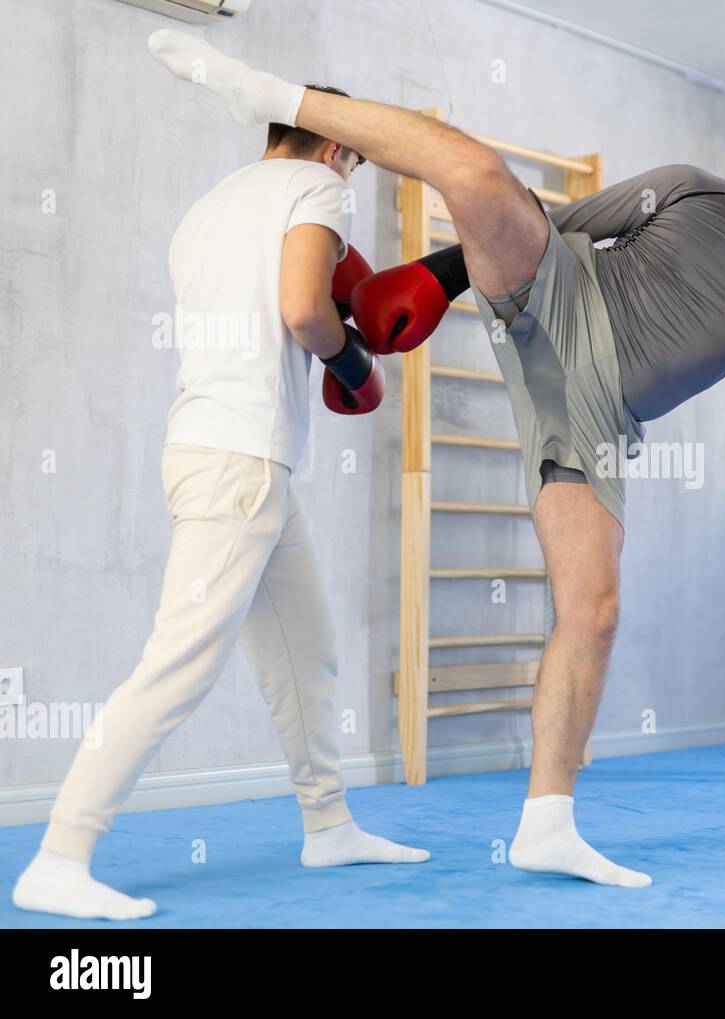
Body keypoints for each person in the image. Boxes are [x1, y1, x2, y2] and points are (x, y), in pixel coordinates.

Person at [145, 30, 725, 887]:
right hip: (561, 299)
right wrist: (438, 278)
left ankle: (546, 825)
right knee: (479, 177)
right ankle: (263, 91)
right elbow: (547, 225)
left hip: (598, 412)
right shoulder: (686, 190)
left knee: (591, 609)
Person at [12, 85, 427, 922]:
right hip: (239, 461)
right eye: (356, 153)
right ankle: (59, 852)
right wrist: (353, 364)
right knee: (179, 663)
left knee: (306, 649)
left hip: (226, 454)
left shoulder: (207, 207)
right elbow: (306, 309)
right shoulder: (322, 189)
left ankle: (329, 823)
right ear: (335, 147)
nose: (355, 168)